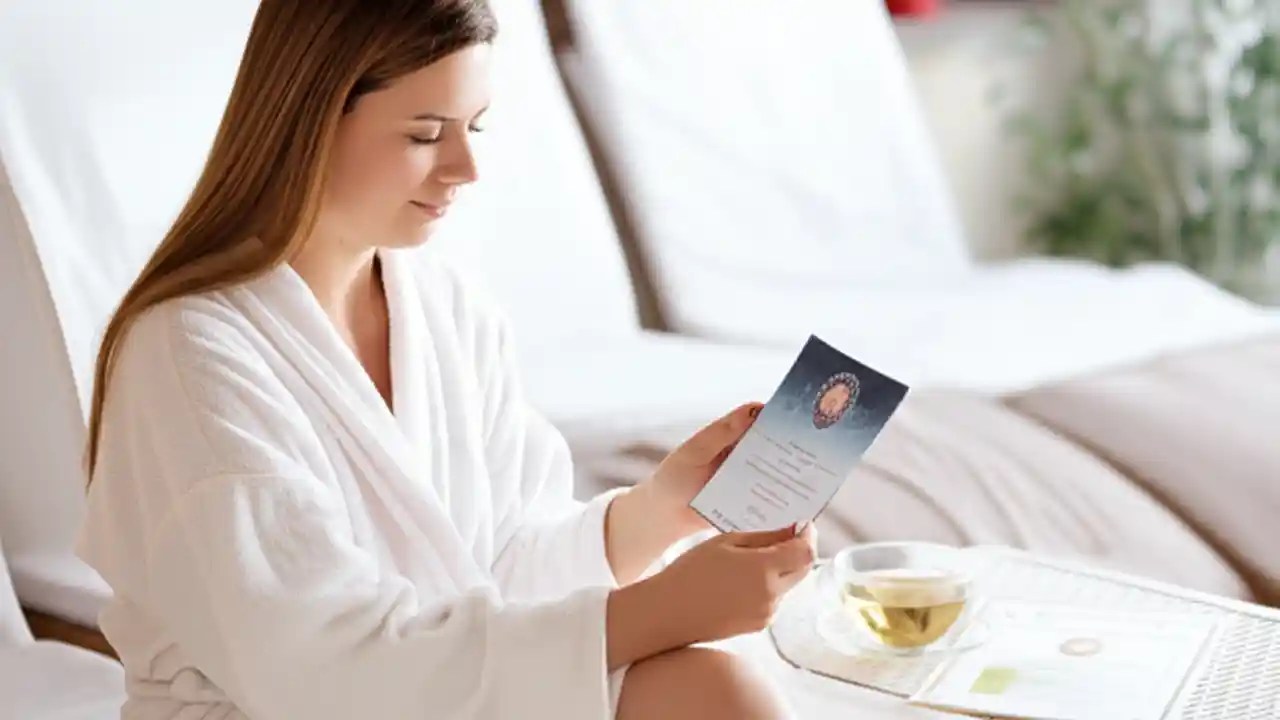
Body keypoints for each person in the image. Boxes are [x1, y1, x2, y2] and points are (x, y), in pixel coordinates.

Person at [76, 2, 814, 719]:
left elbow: (495, 573)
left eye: (475, 127)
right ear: (308, 119)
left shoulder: (444, 308)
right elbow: (322, 675)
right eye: (426, 134)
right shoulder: (188, 356)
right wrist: (658, 610)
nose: (466, 168)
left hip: (441, 695)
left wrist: (658, 514)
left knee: (718, 692)